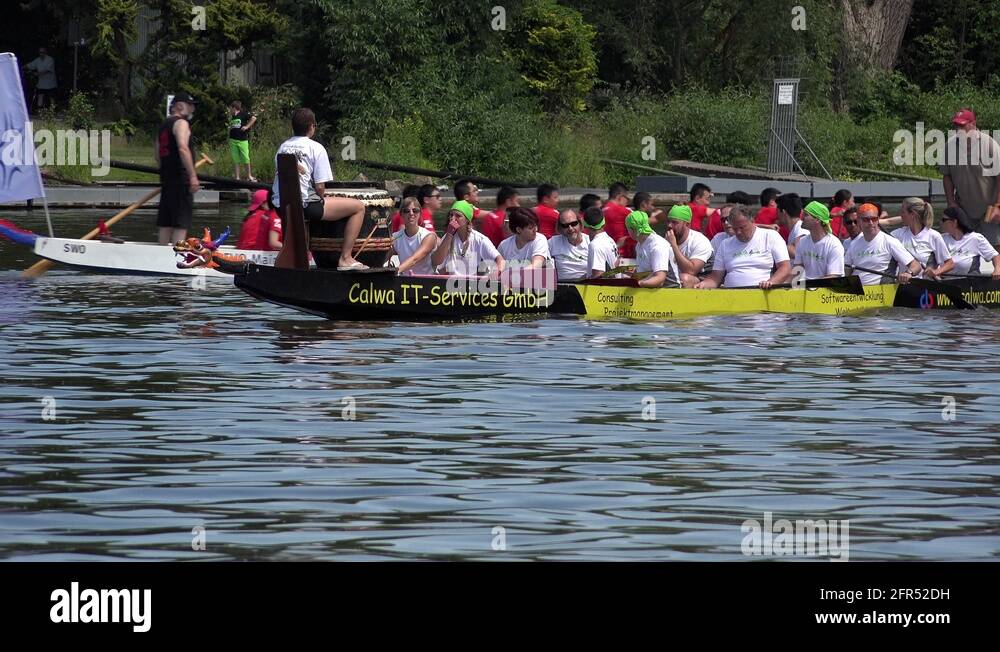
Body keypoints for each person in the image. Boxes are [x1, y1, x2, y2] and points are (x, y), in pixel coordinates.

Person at [271, 107, 366, 270]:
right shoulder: (316, 148)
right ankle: (346, 258)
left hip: (281, 205)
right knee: (358, 208)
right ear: (311, 127)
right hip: (305, 206)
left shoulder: (282, 147)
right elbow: (320, 187)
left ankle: (298, 261)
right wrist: (321, 197)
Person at [940, 108, 1000, 246]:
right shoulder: (949, 146)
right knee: (963, 247)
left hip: (988, 208)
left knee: (995, 246)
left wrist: (998, 206)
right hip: (963, 209)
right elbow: (947, 176)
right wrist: (951, 202)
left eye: (962, 125)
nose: (958, 129)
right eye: (956, 125)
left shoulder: (989, 144)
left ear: (973, 124)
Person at [695, 206, 791, 289]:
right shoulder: (725, 244)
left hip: (762, 292)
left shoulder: (770, 236)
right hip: (731, 296)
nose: (738, 232)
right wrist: (703, 284)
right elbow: (715, 278)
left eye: (742, 227)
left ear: (752, 221)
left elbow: (785, 267)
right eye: (735, 228)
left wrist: (772, 282)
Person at [154, 91, 200, 245]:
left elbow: (157, 154)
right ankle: (175, 260)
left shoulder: (163, 126)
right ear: (180, 106)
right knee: (181, 223)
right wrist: (192, 175)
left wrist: (166, 171)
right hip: (181, 180)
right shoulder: (181, 123)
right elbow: (182, 148)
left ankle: (161, 255)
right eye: (191, 106)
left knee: (166, 223)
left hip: (167, 179)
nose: (192, 110)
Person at [845, 203, 921, 285]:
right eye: (866, 220)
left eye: (874, 219)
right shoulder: (854, 244)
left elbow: (916, 265)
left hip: (883, 292)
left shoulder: (890, 241)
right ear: (859, 221)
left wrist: (908, 273)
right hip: (858, 294)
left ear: (878, 220)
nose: (870, 223)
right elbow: (846, 271)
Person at [431, 200, 505, 275]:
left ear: (467, 220)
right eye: (451, 215)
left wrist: (496, 273)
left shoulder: (480, 239)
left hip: (473, 284)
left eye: (458, 216)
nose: (452, 219)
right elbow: (436, 261)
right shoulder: (447, 237)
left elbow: (500, 260)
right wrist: (449, 235)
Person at [889, 197, 954, 280]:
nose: (900, 214)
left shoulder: (934, 236)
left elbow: (950, 264)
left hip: (925, 286)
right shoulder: (897, 234)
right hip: (903, 286)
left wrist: (936, 272)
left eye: (903, 212)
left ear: (913, 214)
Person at [940, 206, 1000, 278]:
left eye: (944, 220)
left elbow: (995, 256)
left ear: (955, 222)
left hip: (969, 283)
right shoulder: (941, 239)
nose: (941, 222)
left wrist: (997, 269)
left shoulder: (975, 238)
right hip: (946, 283)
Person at [626, 210, 680, 288]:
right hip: (651, 290)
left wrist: (638, 283)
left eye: (627, 228)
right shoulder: (640, 244)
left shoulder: (657, 245)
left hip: (670, 291)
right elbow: (641, 273)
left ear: (633, 230)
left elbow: (659, 279)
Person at [663, 204, 714, 287]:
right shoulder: (666, 240)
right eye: (668, 221)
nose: (669, 225)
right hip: (677, 277)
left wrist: (674, 246)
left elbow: (691, 271)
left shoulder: (700, 241)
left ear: (687, 224)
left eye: (674, 222)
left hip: (702, 280)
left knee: (684, 279)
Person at [793, 202, 844, 279]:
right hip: (807, 288)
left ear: (817, 220)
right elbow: (797, 270)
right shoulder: (802, 241)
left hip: (826, 289)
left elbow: (833, 277)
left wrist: (811, 287)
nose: (801, 218)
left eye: (806, 215)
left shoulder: (834, 245)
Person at [392, 196, 438, 276]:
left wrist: (396, 271)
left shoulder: (428, 236)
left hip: (427, 282)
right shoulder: (395, 237)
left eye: (415, 210)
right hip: (405, 282)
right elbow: (384, 257)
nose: (411, 213)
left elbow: (414, 259)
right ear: (401, 215)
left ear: (420, 214)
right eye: (406, 211)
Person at [548, 209, 590, 281]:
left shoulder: (590, 242)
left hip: (586, 285)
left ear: (580, 224)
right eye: (565, 226)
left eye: (574, 224)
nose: (570, 228)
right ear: (560, 228)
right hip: (562, 287)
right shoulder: (552, 242)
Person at [585, 206, 620, 278]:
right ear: (604, 222)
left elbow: (598, 275)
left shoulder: (595, 245)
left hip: (604, 288)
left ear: (584, 224)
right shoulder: (609, 240)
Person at [228, 100, 257, 182]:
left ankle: (249, 176)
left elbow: (254, 118)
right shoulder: (233, 116)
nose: (230, 110)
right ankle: (237, 177)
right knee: (235, 159)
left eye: (230, 108)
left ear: (234, 108)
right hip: (233, 140)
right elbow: (234, 126)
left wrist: (247, 126)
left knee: (245, 158)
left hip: (242, 140)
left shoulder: (243, 114)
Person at [24, 47, 57, 112]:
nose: (41, 54)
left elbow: (47, 70)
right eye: (40, 52)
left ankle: (53, 110)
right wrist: (21, 66)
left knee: (51, 97)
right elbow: (30, 65)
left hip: (50, 83)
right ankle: (39, 110)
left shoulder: (50, 59)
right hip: (41, 83)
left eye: (43, 52)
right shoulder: (37, 60)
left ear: (46, 52)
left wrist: (38, 73)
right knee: (40, 95)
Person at [603, 182, 631, 255]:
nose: (627, 202)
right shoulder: (623, 211)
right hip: (622, 256)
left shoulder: (600, 211)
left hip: (606, 254)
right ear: (620, 196)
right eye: (627, 198)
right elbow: (647, 220)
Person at [776, 193, 806, 257]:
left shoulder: (801, 229)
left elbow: (795, 252)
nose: (776, 215)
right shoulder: (795, 229)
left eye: (777, 211)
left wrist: (772, 242)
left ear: (783, 212)